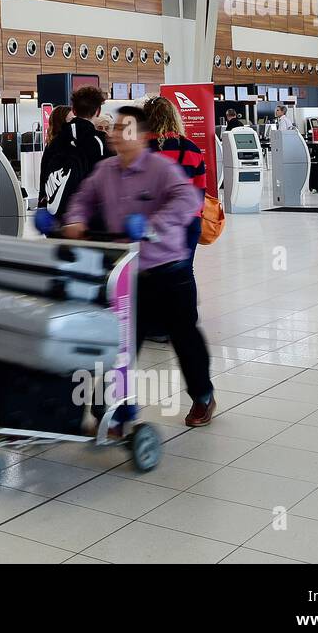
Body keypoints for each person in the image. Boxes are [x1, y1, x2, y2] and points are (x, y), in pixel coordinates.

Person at [62, 105, 215, 428]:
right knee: (120, 345)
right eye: (115, 128)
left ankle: (202, 395)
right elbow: (83, 198)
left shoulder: (160, 169)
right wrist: (75, 219)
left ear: (143, 136)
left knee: (184, 339)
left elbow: (187, 201)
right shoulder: (105, 170)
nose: (117, 134)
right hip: (126, 275)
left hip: (168, 271)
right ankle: (117, 410)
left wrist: (151, 226)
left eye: (125, 128)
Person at [144, 95, 207, 266]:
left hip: (154, 221)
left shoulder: (142, 150)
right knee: (186, 272)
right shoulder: (191, 148)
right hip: (189, 219)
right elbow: (200, 189)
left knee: (153, 273)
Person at [38, 86, 107, 214]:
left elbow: (44, 174)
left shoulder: (56, 140)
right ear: (98, 111)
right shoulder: (100, 141)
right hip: (86, 219)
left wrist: (42, 206)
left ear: (74, 110)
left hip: (56, 217)